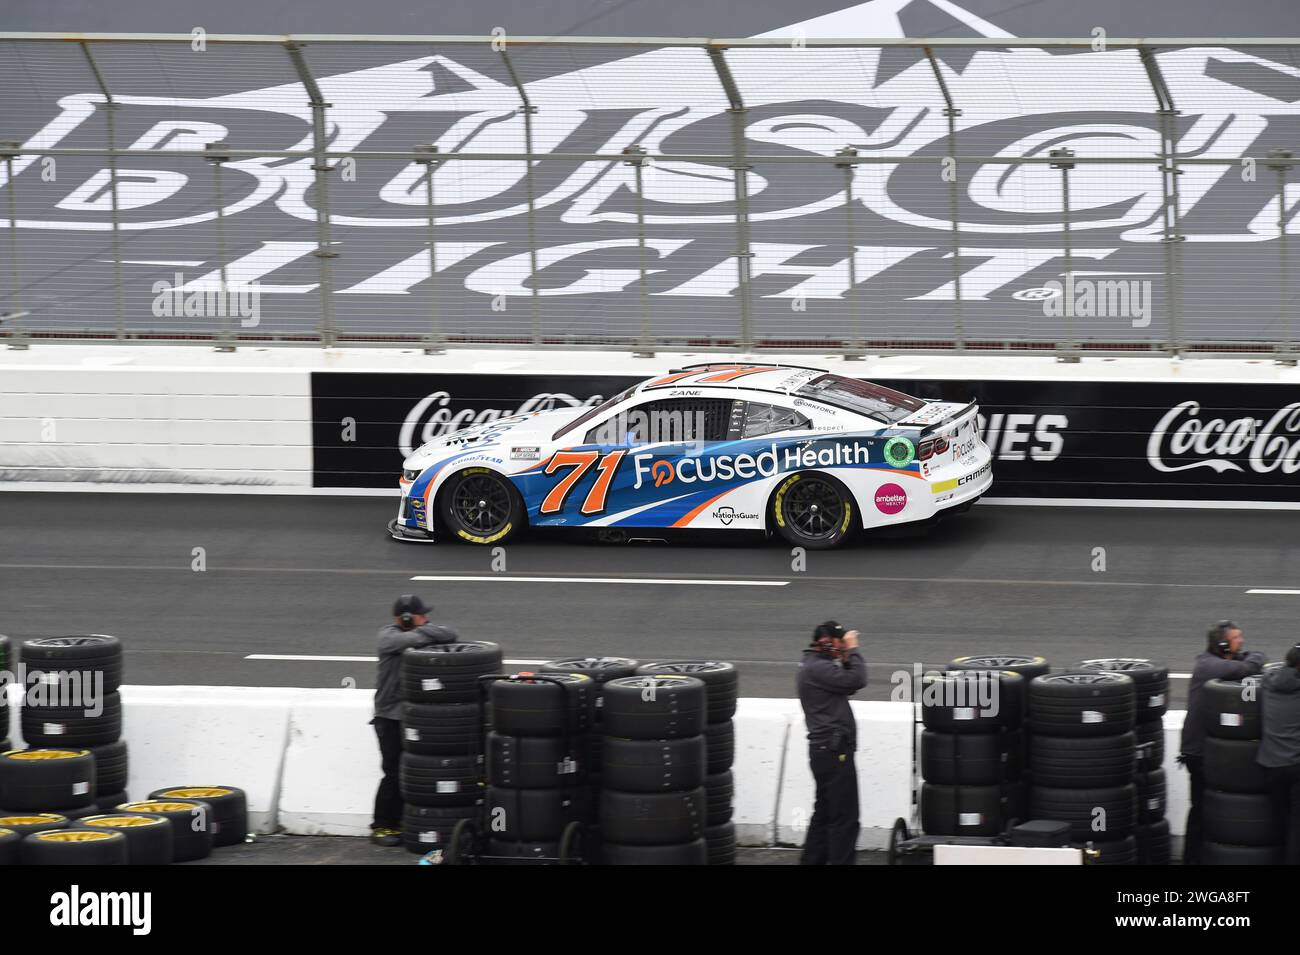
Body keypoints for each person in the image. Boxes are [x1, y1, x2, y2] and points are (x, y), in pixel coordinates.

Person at [370, 594, 458, 847]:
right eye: (422, 615)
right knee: (393, 772)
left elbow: (451, 632)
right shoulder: (388, 637)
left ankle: (405, 822)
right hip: (388, 717)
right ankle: (382, 826)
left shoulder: (420, 631)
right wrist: (425, 632)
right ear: (407, 617)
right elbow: (409, 639)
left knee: (414, 772)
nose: (427, 618)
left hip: (412, 716)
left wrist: (424, 630)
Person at [1177, 620, 1265, 865]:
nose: (1242, 641)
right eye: (1237, 638)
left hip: (1208, 749)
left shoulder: (1219, 662)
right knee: (1202, 809)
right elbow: (1248, 667)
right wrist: (1247, 658)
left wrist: (1243, 655)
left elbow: (1252, 658)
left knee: (1212, 806)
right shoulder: (1208, 666)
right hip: (1198, 751)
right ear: (1224, 643)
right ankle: (1192, 859)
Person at [796, 621, 866, 865]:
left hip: (825, 752)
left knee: (824, 814)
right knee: (844, 818)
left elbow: (847, 685)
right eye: (839, 642)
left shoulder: (815, 666)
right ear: (826, 642)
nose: (842, 647)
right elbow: (857, 679)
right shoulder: (818, 669)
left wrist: (846, 655)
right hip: (834, 752)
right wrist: (854, 649)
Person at [1258, 643, 1300, 864]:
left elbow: (1266, 669)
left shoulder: (1268, 681)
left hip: (1271, 766)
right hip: (1296, 767)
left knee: (1279, 822)